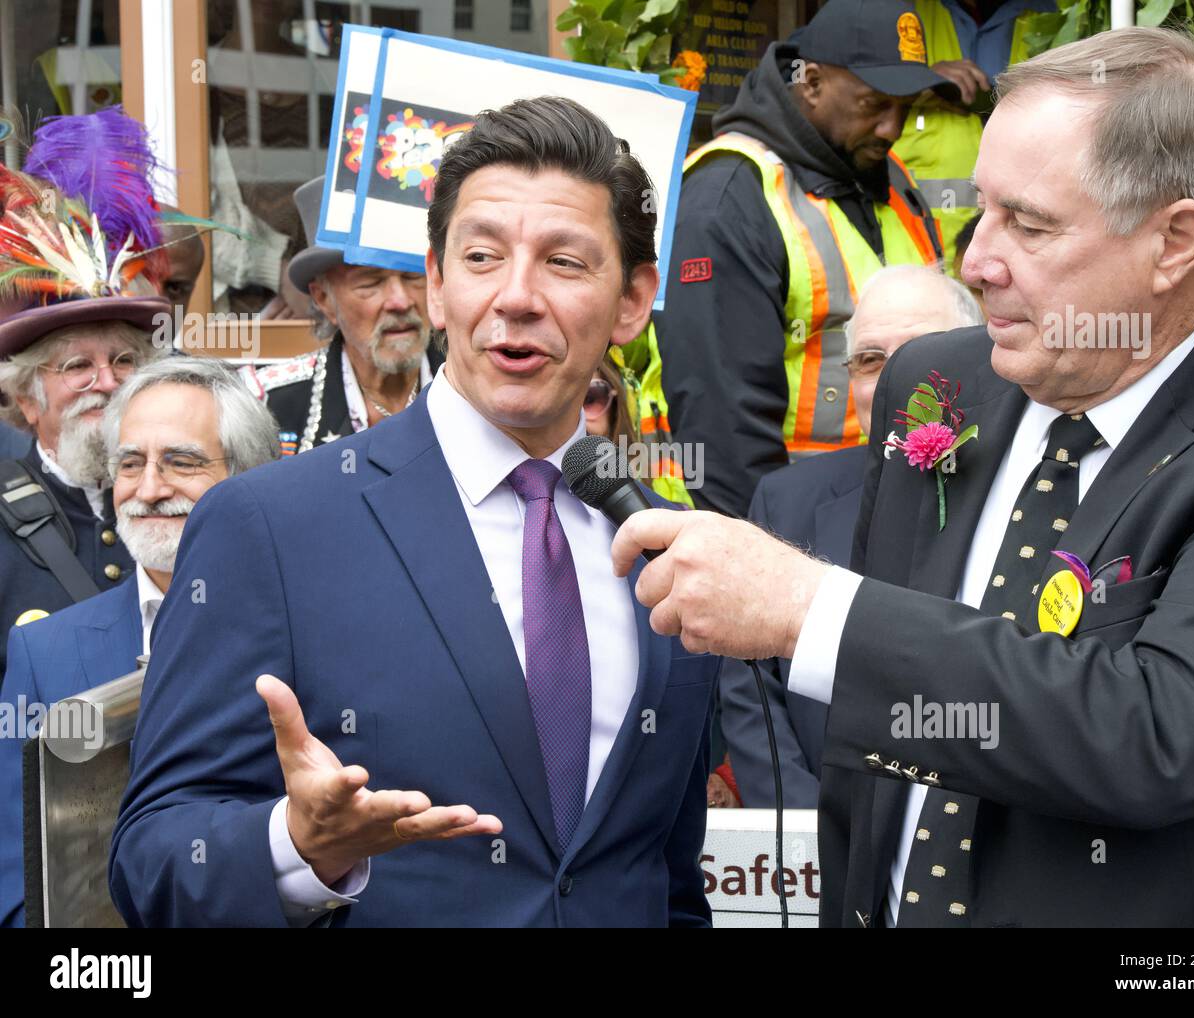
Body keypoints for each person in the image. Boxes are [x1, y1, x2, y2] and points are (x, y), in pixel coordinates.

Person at [612, 26, 1194, 927]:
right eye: (982, 209)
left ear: (1175, 241)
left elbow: (1159, 733)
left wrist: (811, 610)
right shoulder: (932, 384)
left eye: (1031, 224)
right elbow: (876, 733)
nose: (975, 262)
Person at [110, 96, 719, 928]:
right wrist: (300, 847)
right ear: (437, 284)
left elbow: (667, 881)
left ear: (633, 300)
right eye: (481, 257)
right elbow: (152, 858)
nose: (516, 297)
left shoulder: (664, 549)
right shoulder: (272, 528)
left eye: (564, 262)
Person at [633, 0, 958, 518]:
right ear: (812, 84)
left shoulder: (889, 178)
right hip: (773, 533)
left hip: (881, 520)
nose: (891, 128)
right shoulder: (728, 198)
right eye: (874, 104)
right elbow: (723, 431)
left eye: (906, 106)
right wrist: (766, 554)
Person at [0, 357, 280, 928]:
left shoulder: (312, 625)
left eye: (182, 461)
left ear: (249, 474)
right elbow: (17, 879)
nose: (149, 490)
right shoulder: (44, 651)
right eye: (130, 464)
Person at [720, 266, 982, 807]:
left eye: (921, 351)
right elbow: (752, 686)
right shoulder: (786, 501)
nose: (892, 379)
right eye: (870, 360)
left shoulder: (1025, 488)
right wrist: (810, 832)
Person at [0, 109, 173, 677]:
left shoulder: (194, 502)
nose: (107, 381)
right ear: (28, 397)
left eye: (124, 360)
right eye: (78, 365)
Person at [242, 176, 444, 454]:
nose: (400, 301)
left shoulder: (477, 389)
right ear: (324, 299)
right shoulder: (264, 403)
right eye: (371, 283)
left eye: (413, 276)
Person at [892, 0, 1055, 270]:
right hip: (918, 270)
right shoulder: (900, 11)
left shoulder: (1063, 13)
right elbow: (844, 93)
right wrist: (915, 82)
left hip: (1028, 268)